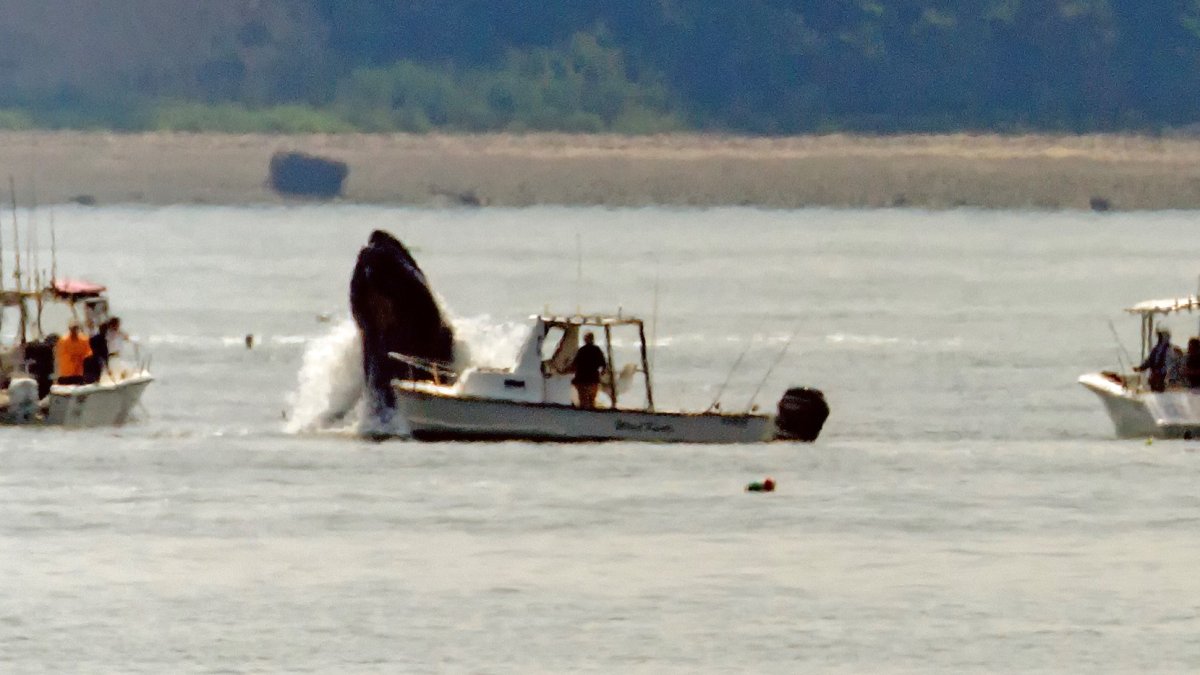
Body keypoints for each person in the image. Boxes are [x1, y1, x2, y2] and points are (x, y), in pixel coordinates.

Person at [570, 332, 606, 409]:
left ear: (585, 340)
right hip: (593, 379)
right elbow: (603, 364)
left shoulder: (582, 350)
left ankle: (584, 416)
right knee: (591, 401)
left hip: (582, 379)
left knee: (583, 401)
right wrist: (602, 372)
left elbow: (574, 364)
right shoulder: (597, 350)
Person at [1136, 327, 1174, 392]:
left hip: (1162, 376)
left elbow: (1169, 364)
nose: (1159, 338)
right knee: (1153, 387)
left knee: (1160, 388)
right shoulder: (1156, 349)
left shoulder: (1169, 350)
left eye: (1160, 336)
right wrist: (1141, 367)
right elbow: (1150, 360)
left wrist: (1159, 372)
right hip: (1154, 374)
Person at [55, 321, 93, 385]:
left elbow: (89, 353)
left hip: (79, 373)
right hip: (66, 374)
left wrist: (83, 357)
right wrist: (75, 356)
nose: (74, 331)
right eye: (72, 329)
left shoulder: (84, 340)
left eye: (76, 328)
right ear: (69, 329)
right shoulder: (63, 341)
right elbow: (61, 355)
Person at [82, 319, 111, 384]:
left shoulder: (94, 338)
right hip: (95, 361)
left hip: (90, 360)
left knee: (89, 377)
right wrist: (107, 367)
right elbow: (105, 354)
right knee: (94, 377)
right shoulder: (101, 340)